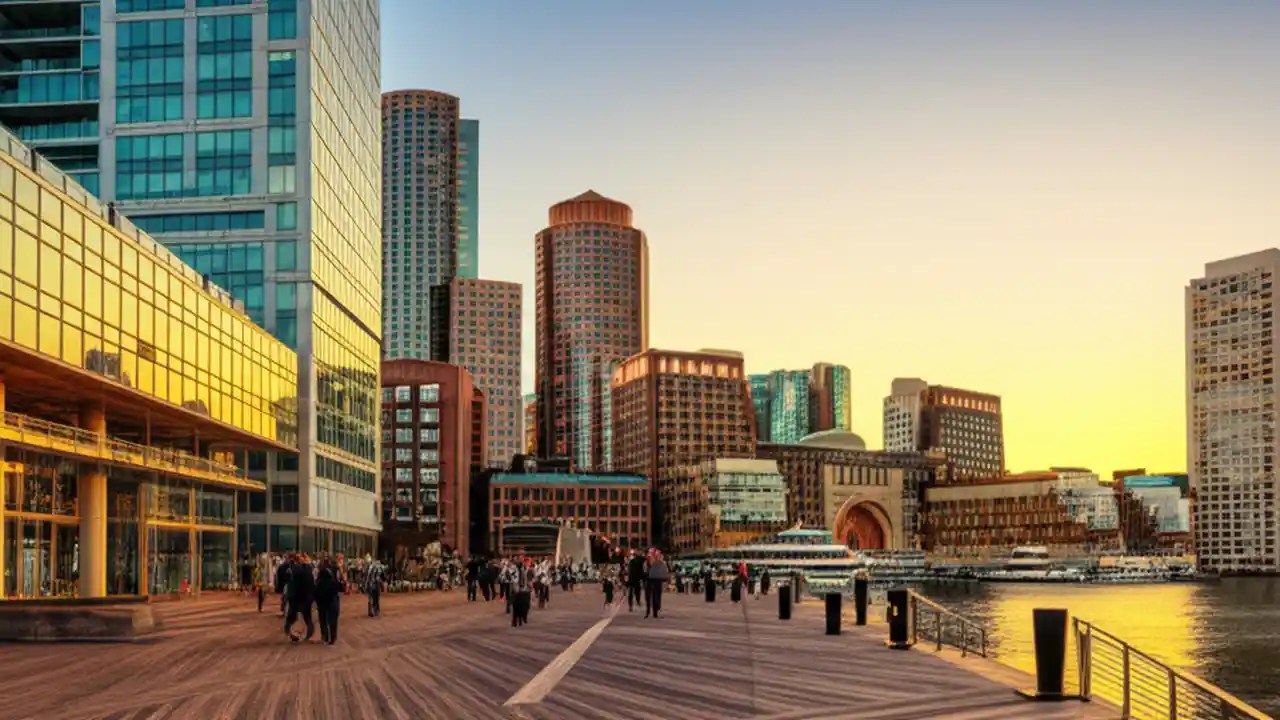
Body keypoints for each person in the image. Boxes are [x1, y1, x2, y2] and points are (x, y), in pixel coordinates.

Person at [284, 554, 316, 643]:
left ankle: (289, 632)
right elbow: (312, 584)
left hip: (295, 596)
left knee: (292, 616)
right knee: (307, 617)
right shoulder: (309, 569)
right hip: (305, 597)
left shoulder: (292, 569)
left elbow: (289, 583)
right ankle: (307, 636)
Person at [315, 558, 341, 645]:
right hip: (333, 597)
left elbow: (317, 586)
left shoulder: (321, 573)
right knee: (333, 619)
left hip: (323, 599)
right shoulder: (336, 571)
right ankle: (333, 637)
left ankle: (325, 636)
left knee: (323, 619)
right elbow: (339, 585)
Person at [646, 550, 670, 619]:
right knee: (656, 596)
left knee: (656, 596)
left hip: (656, 580)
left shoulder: (660, 563)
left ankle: (655, 611)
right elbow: (665, 571)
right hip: (655, 580)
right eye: (658, 555)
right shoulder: (655, 562)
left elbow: (665, 571)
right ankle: (656, 611)